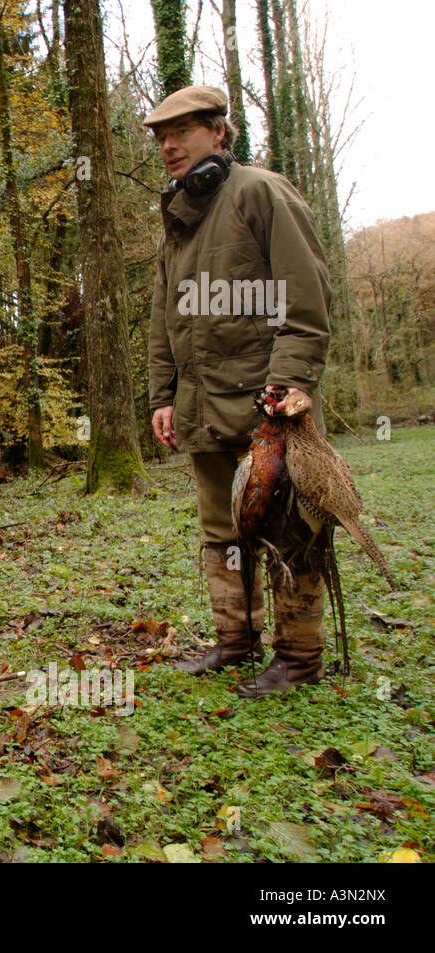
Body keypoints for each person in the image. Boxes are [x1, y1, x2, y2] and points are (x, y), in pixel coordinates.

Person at [144, 85, 333, 696]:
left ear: (219, 133)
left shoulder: (260, 192)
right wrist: (163, 395)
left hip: (268, 403)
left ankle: (299, 658)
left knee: (291, 529)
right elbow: (162, 317)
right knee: (220, 528)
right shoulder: (177, 216)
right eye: (161, 137)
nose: (169, 146)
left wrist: (293, 381)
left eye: (183, 132)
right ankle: (236, 639)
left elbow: (306, 296)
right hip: (201, 405)